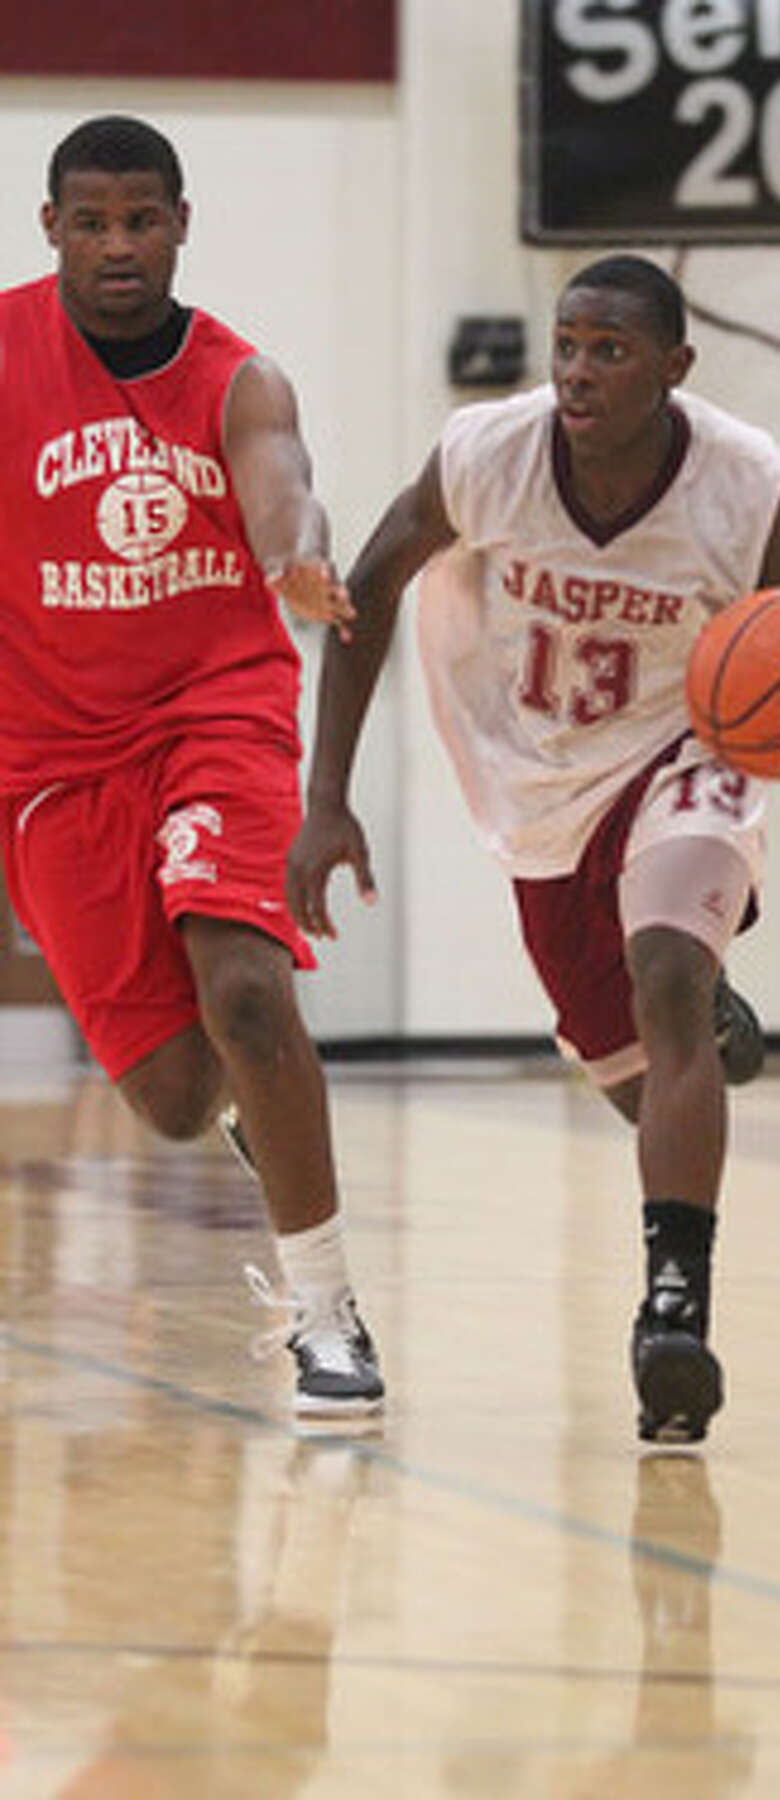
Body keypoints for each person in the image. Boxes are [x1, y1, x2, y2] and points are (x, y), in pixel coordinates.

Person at [288, 255, 780, 1443]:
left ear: (675, 368)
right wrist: (328, 798)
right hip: (536, 778)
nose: (577, 371)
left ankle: (674, 1312)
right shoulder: (488, 451)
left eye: (610, 351)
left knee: (669, 976)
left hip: (683, 756)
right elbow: (367, 584)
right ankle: (690, 1048)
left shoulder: (751, 488)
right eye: (567, 345)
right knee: (636, 1083)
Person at [0, 115, 383, 1418]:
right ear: (51, 226)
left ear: (181, 224)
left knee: (250, 994)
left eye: (143, 219)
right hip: (53, 756)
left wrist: (295, 557)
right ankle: (254, 1116)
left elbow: (282, 485)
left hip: (215, 717)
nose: (119, 245)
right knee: (171, 1095)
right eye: (93, 221)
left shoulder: (236, 378)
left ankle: (327, 1313)